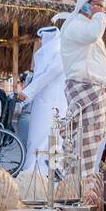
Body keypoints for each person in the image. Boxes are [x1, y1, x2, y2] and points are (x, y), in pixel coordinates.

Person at [54, 0, 106, 180]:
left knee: (92, 139)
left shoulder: (85, 24)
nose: (101, 10)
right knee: (84, 138)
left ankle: (84, 182)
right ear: (86, 4)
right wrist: (100, 17)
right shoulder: (76, 25)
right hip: (84, 88)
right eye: (97, 5)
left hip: (93, 89)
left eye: (102, 6)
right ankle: (78, 182)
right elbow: (92, 35)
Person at [15, 25, 67, 172]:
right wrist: (27, 95)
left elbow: (48, 75)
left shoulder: (59, 53)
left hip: (54, 103)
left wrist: (28, 92)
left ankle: (44, 171)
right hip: (42, 103)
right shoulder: (45, 54)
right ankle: (34, 170)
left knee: (50, 138)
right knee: (36, 138)